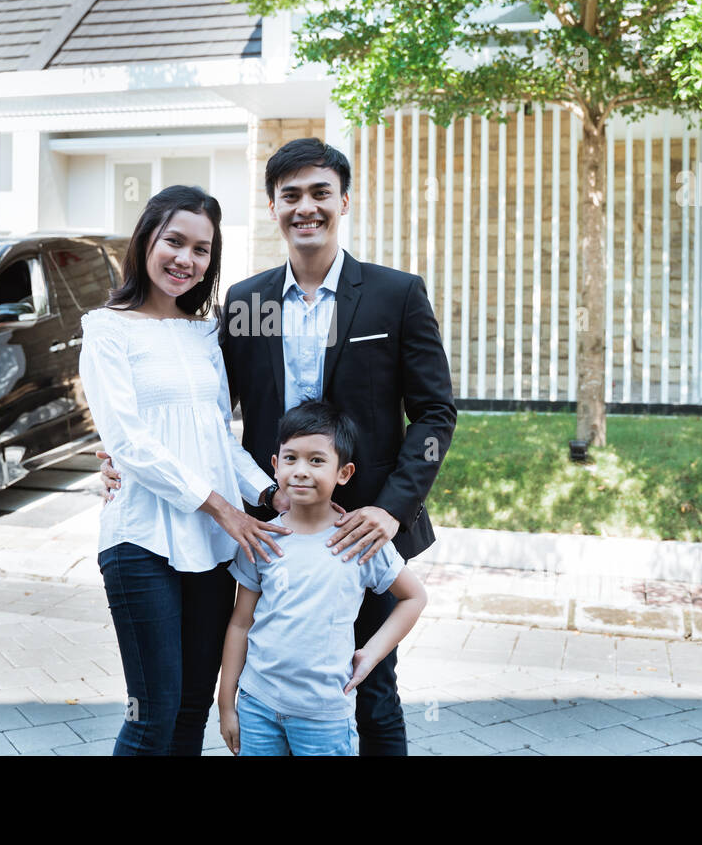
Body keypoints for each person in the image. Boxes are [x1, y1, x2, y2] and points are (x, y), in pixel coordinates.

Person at [102, 138, 457, 755]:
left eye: (321, 193)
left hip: (359, 531)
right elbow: (207, 414)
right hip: (270, 530)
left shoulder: (393, 295)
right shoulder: (246, 303)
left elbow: (435, 413)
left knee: (369, 690)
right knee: (264, 678)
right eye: (290, 195)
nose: (306, 208)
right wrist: (114, 462)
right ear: (273, 208)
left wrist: (392, 509)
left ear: (343, 201)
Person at [77, 184, 296, 756]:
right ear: (147, 237)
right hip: (141, 538)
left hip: (213, 547)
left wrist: (272, 494)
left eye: (201, 250)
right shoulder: (105, 329)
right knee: (153, 716)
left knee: (192, 712)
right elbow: (128, 442)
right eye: (175, 241)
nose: (186, 259)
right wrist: (225, 508)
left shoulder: (205, 332)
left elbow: (218, 439)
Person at [218, 400, 428, 756]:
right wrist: (226, 705)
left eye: (317, 460)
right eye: (291, 458)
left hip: (325, 716)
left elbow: (414, 598)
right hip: (258, 705)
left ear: (343, 473)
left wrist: (371, 654)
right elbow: (240, 623)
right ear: (275, 465)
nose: (301, 470)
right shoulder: (263, 538)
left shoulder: (359, 540)